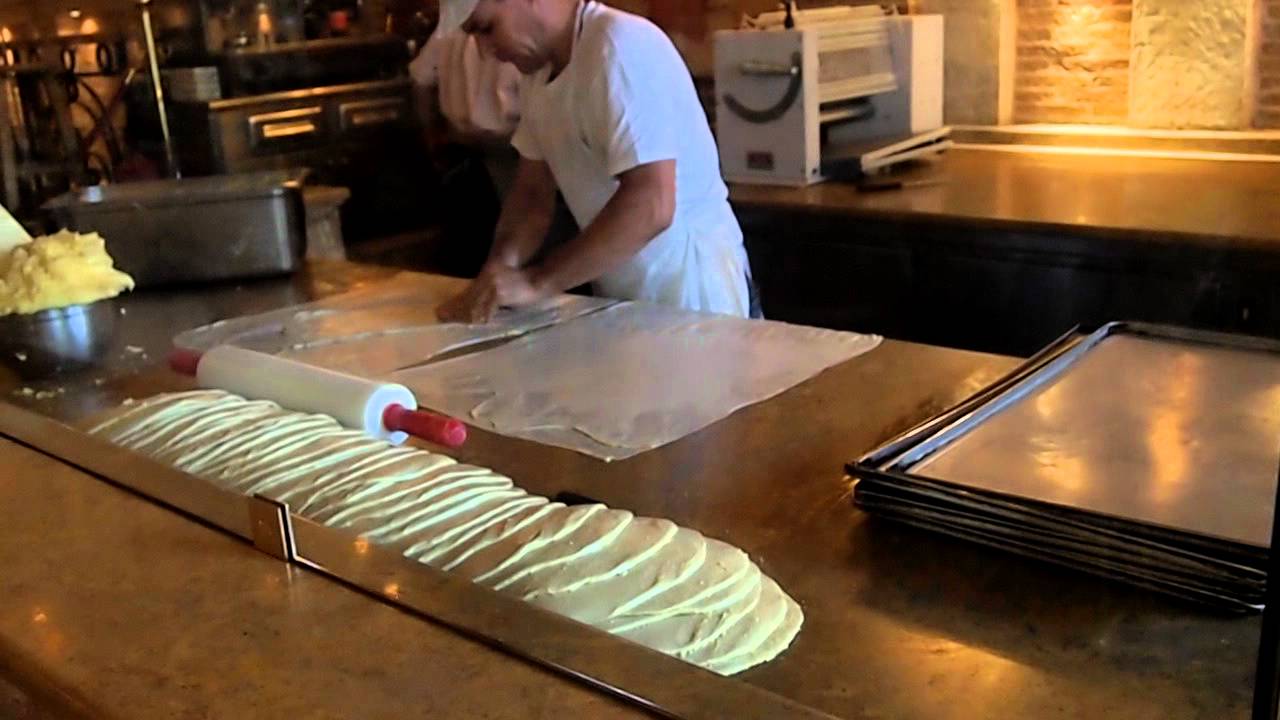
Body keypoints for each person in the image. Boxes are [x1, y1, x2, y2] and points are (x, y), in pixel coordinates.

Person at [434, 0, 759, 323]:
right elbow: (533, 196)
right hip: (627, 299)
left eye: (488, 29)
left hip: (695, 297)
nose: (485, 51)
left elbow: (653, 203)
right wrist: (499, 271)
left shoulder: (618, 45)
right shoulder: (537, 75)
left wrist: (537, 282)